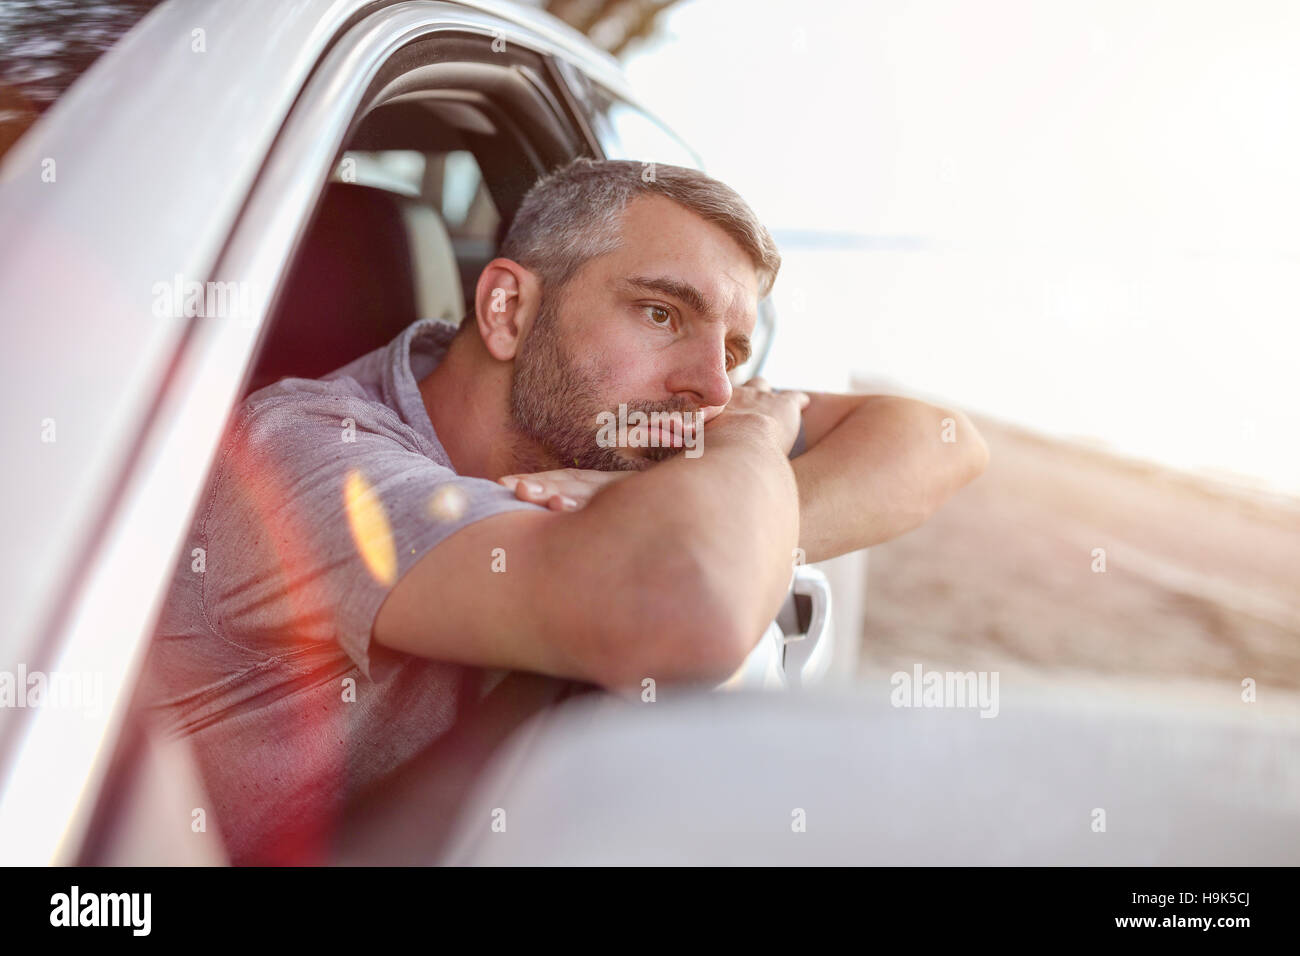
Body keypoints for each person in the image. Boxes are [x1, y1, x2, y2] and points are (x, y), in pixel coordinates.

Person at [138, 158, 988, 864]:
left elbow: (943, 440)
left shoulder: (629, 437)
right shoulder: (312, 457)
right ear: (509, 310)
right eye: (662, 313)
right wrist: (747, 454)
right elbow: (687, 603)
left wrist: (738, 512)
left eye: (735, 350)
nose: (715, 388)